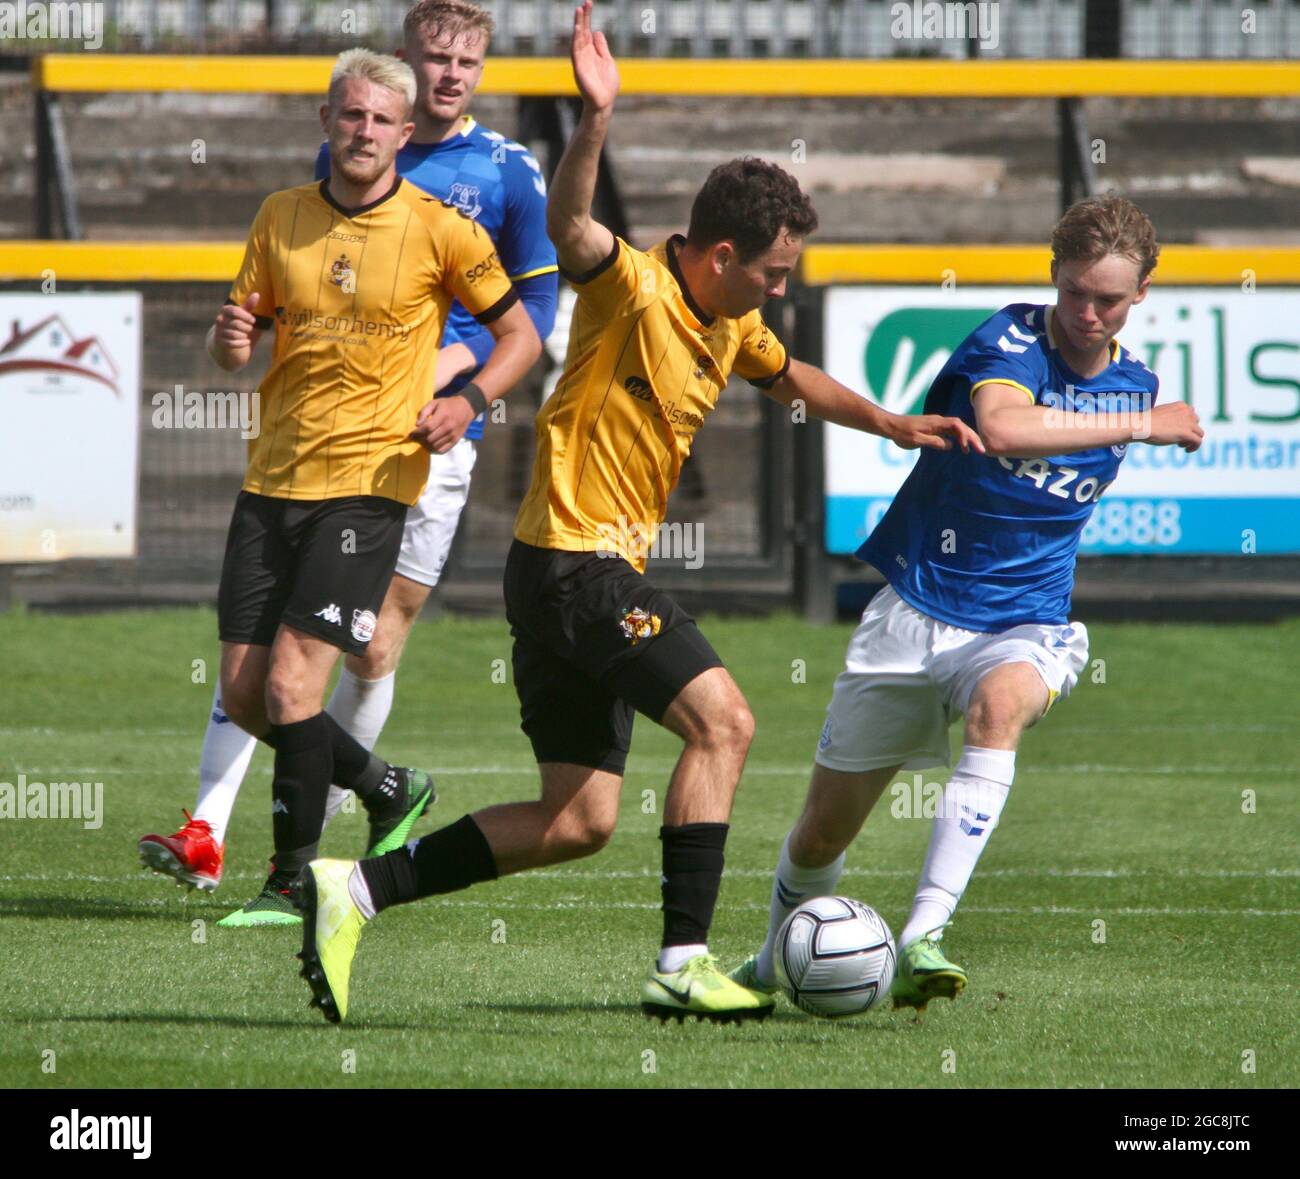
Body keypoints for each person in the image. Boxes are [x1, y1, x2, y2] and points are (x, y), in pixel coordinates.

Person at [287, 1, 981, 1026]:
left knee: (576, 820)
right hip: (578, 565)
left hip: (554, 574)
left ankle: (351, 891)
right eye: (771, 271)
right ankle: (683, 960)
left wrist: (891, 423)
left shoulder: (730, 325)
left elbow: (795, 379)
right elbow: (572, 230)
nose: (777, 289)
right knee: (726, 722)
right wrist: (595, 118)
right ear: (716, 256)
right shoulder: (638, 289)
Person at [138, 1, 558, 924]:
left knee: (319, 670)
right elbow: (241, 343)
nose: (365, 129)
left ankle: (293, 875)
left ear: (401, 131)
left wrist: (468, 395)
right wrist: (230, 339)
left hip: (382, 474)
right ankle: (386, 784)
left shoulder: (463, 209)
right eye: (351, 115)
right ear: (328, 121)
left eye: (380, 119)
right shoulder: (284, 214)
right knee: (250, 690)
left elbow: (526, 329)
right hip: (273, 478)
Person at [732, 194, 1204, 1012]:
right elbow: (1005, 426)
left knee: (1001, 706)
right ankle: (776, 960)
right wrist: (1145, 423)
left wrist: (1139, 411)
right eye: (1076, 292)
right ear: (1053, 276)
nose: (1088, 312)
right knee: (821, 833)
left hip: (1025, 619)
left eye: (1110, 299)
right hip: (916, 606)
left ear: (1142, 295)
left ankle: (923, 935)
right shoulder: (1010, 337)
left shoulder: (1136, 381)